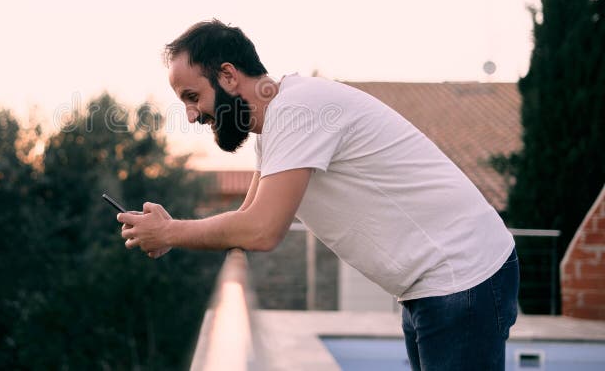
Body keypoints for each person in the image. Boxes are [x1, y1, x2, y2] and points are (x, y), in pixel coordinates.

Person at [117, 19, 519, 370]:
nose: (190, 115)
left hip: (463, 277)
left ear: (227, 75)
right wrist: (169, 230)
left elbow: (261, 230)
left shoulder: (297, 110)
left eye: (192, 97)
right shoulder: (277, 123)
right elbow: (247, 218)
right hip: (436, 285)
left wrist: (170, 234)